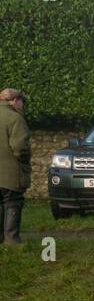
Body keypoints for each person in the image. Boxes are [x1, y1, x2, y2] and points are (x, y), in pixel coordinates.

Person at [0, 87, 32, 246]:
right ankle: (11, 240)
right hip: (10, 172)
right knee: (12, 202)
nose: (22, 105)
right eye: (22, 101)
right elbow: (20, 148)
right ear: (14, 101)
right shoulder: (15, 118)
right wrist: (25, 160)